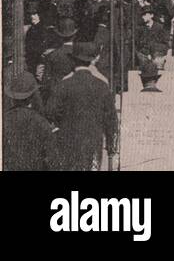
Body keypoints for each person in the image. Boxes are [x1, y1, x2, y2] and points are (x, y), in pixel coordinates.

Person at [46, 42, 118, 171]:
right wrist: (111, 144)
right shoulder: (102, 85)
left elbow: (50, 112)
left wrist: (60, 125)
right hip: (94, 142)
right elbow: (111, 118)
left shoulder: (64, 84)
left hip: (68, 140)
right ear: (91, 61)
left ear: (73, 61)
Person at [3, 71, 55, 171]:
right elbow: (51, 156)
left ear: (12, 98)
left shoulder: (5, 119)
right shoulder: (40, 121)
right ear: (31, 98)